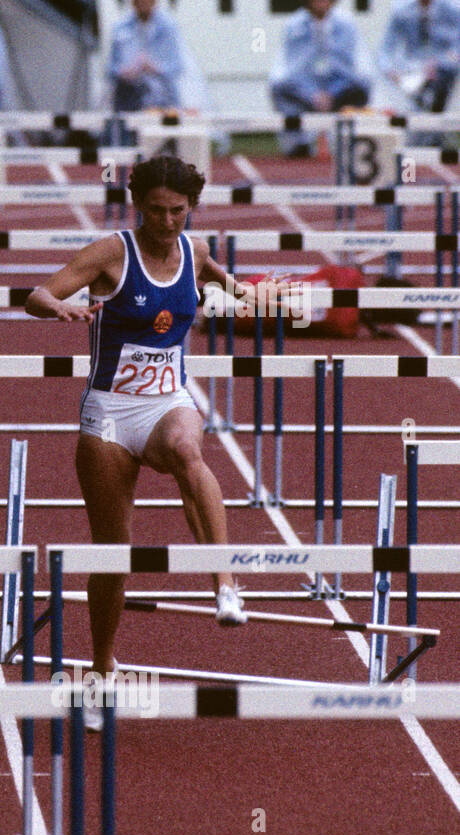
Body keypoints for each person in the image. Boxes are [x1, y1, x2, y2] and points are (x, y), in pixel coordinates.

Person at [25, 156, 259, 730]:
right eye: (156, 211)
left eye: (178, 211)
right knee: (115, 553)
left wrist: (254, 297)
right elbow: (37, 294)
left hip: (168, 400)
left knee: (189, 452)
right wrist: (60, 307)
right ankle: (102, 670)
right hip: (109, 414)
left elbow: (238, 291)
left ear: (190, 209)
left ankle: (225, 585)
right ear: (138, 206)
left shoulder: (196, 254)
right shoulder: (112, 253)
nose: (167, 222)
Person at [270, 0, 371, 157]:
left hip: (340, 92)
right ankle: (299, 144)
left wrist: (333, 92)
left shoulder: (347, 24)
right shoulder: (293, 25)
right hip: (306, 93)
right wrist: (312, 95)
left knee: (363, 85)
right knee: (279, 87)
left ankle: (348, 141)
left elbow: (352, 68)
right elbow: (292, 69)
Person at [107, 0, 196, 111]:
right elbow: (109, 69)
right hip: (128, 103)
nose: (142, 2)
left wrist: (154, 68)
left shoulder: (168, 27)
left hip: (162, 103)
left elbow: (177, 67)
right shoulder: (120, 27)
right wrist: (124, 72)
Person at [375, 0, 460, 114]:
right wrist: (390, 71)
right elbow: (386, 50)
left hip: (445, 75)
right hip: (412, 74)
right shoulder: (402, 11)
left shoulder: (452, 10)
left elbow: (456, 48)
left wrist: (442, 63)